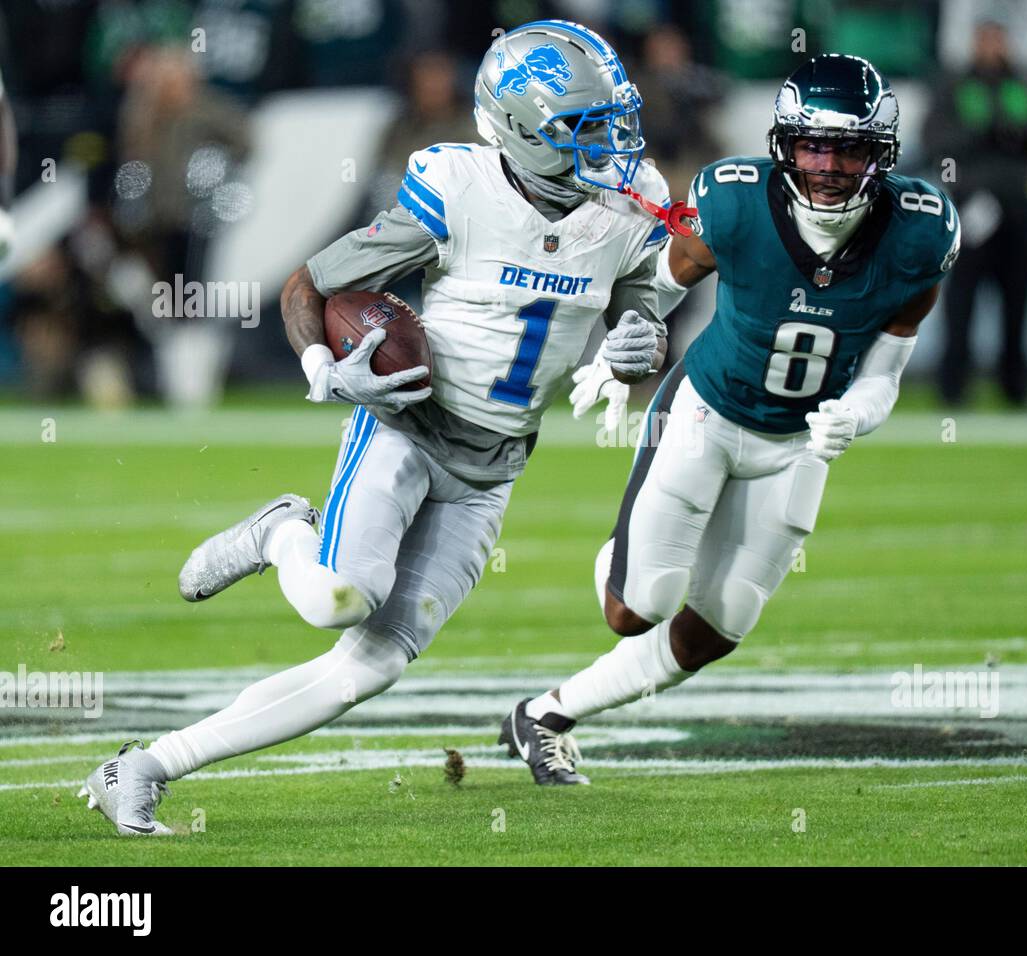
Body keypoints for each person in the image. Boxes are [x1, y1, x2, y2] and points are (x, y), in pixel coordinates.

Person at [79, 20, 679, 834]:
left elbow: (648, 286)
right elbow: (309, 285)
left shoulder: (626, 201)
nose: (609, 142)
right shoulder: (459, 189)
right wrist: (324, 368)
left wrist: (640, 334)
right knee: (336, 599)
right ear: (518, 127)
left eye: (612, 118)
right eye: (582, 127)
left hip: (492, 468)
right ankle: (281, 532)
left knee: (369, 667)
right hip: (407, 425)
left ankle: (142, 767)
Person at [500, 54, 960, 785]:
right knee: (637, 607)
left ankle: (546, 714)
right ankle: (631, 550)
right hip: (706, 411)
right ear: (784, 144)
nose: (830, 166)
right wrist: (625, 343)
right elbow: (661, 282)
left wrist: (859, 413)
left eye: (849, 149)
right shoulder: (734, 201)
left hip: (798, 444)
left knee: (720, 627)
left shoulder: (921, 232)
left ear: (882, 154)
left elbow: (886, 369)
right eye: (813, 145)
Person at [923, 18, 1027, 407]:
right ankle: (953, 386)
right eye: (985, 41)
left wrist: (1012, 133)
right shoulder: (955, 86)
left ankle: (1015, 385)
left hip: (1019, 204)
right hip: (972, 206)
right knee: (962, 299)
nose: (992, 49)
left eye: (997, 41)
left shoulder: (1026, 83)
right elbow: (935, 139)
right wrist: (987, 134)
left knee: (1017, 299)